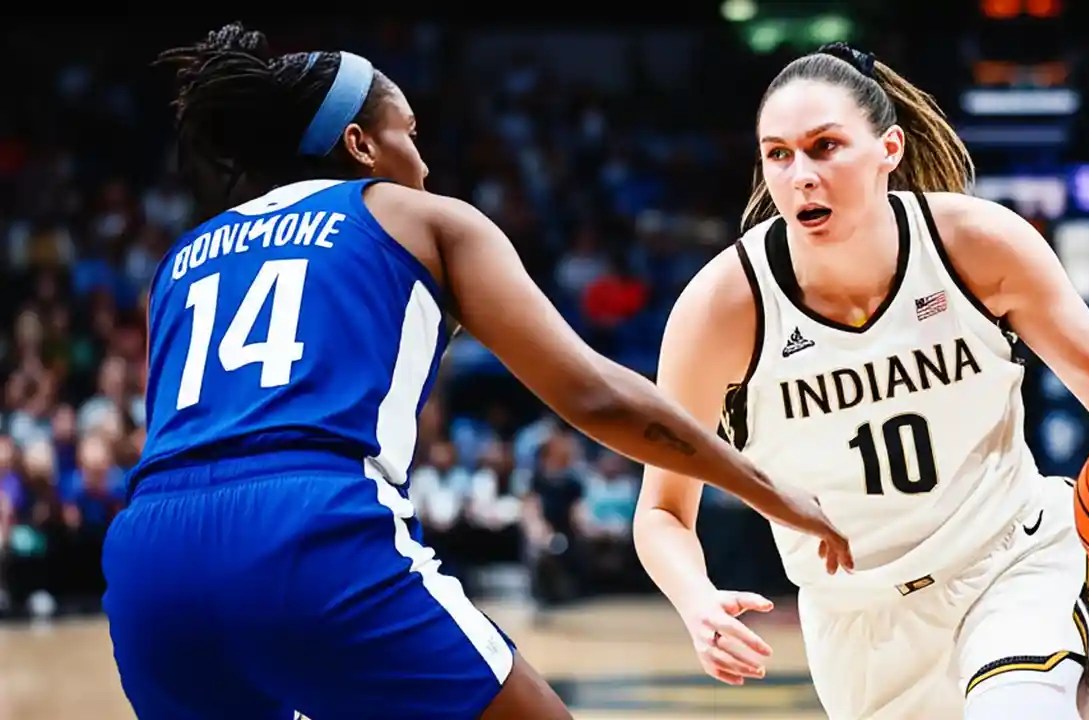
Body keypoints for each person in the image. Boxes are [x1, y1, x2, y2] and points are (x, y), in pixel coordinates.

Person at [102, 23, 853, 720]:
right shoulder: (419, 216)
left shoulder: (182, 259)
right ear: (361, 144)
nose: (424, 161)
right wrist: (772, 494)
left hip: (148, 558)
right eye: (411, 134)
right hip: (304, 527)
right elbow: (593, 393)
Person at [633, 42, 1089, 720]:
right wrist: (695, 598)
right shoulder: (721, 311)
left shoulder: (977, 245)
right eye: (779, 154)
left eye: (826, 147)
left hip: (1009, 560)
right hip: (861, 625)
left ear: (889, 149)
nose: (801, 176)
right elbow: (663, 510)